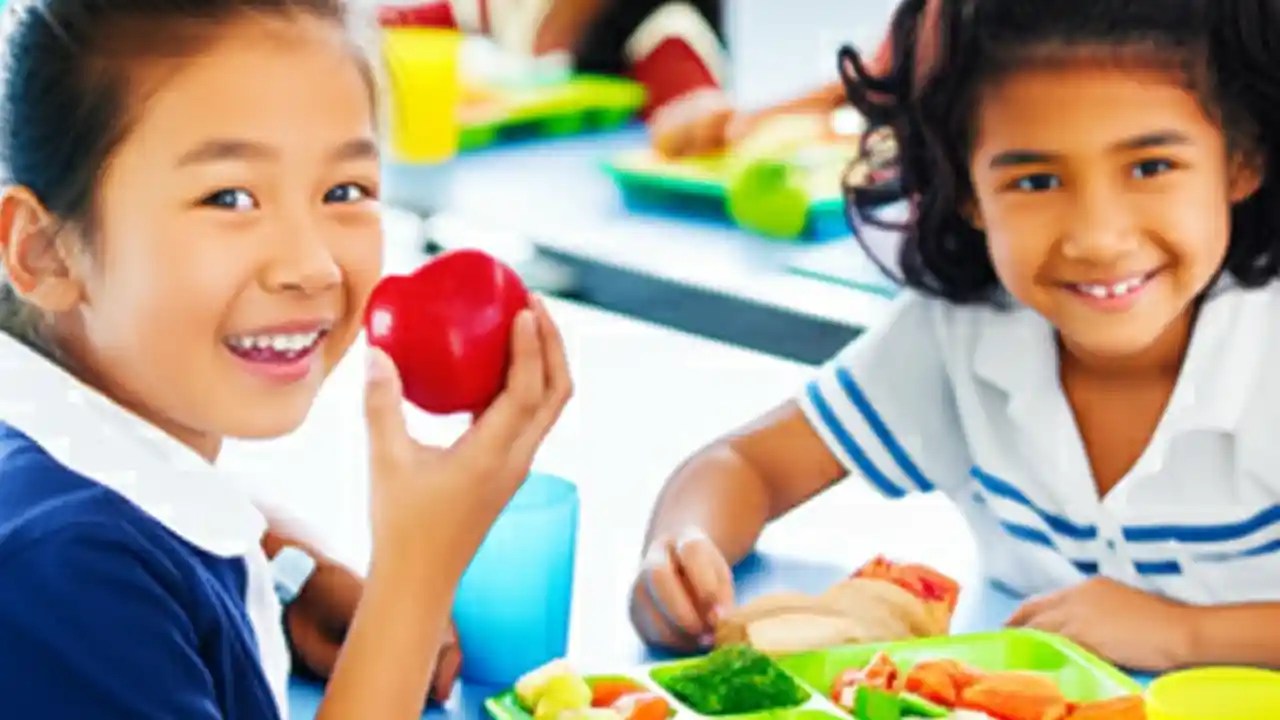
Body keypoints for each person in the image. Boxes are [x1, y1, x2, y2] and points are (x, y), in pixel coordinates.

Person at [630, 0, 1280, 673]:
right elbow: (747, 465)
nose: (1098, 237)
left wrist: (1186, 635)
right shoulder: (960, 334)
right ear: (967, 189)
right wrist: (680, 549)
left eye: (1150, 168)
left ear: (1241, 161)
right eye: (1036, 180)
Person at [0, 1, 571, 717]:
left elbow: (173, 511)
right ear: (44, 251)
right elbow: (83, 558)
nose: (313, 266)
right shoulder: (62, 577)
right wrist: (416, 574)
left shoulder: (82, 465)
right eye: (230, 197)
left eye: (344, 191)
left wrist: (295, 574)